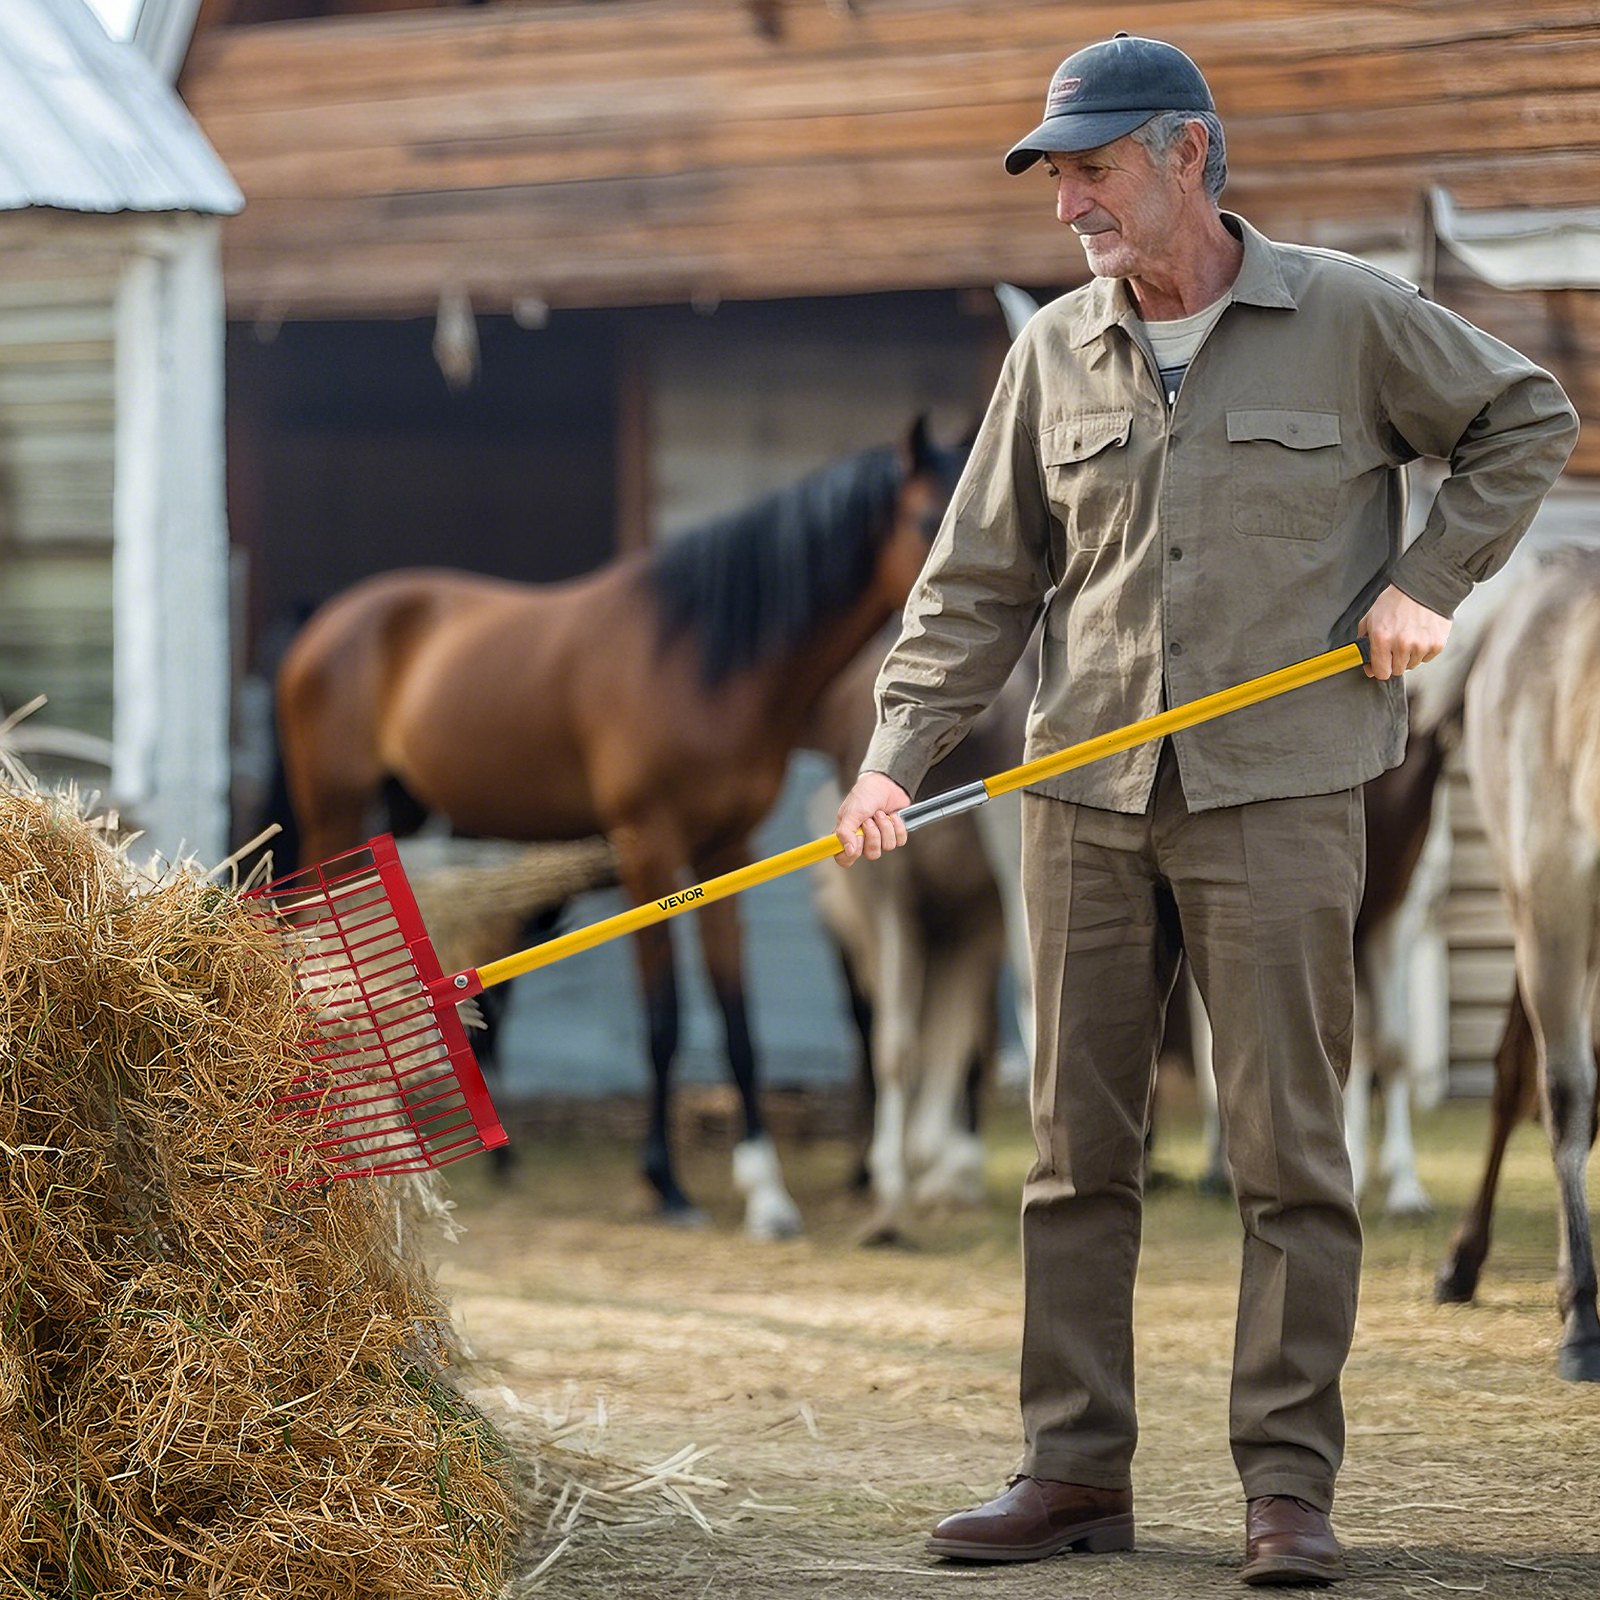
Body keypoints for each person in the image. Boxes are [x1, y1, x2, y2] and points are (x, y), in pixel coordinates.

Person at [833, 32, 1578, 1589]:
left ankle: (1287, 1488)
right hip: (1081, 793)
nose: (1067, 208)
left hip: (1282, 793)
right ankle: (1073, 1471)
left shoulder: (1352, 320)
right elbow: (981, 580)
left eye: (1091, 170)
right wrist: (899, 752)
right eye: (1053, 177)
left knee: (1289, 1153)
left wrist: (1422, 587)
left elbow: (1527, 421)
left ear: (1184, 154)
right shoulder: (1049, 353)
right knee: (1070, 1153)